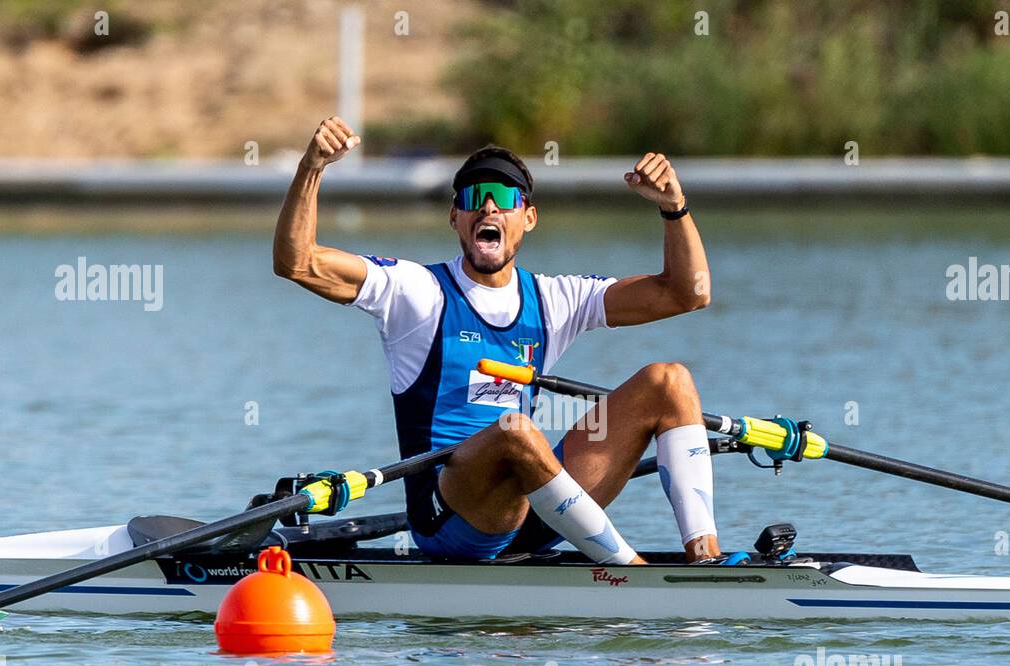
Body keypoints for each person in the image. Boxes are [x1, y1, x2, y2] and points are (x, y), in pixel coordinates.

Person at [274, 117, 742, 565]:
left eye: (504, 197)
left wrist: (673, 206)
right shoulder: (415, 292)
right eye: (475, 196)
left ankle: (704, 559)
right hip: (451, 519)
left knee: (669, 382)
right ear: (455, 217)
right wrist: (311, 168)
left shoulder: (556, 299)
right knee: (514, 433)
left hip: (530, 510)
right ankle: (632, 572)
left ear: (529, 217)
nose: (489, 207)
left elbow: (689, 293)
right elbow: (297, 262)